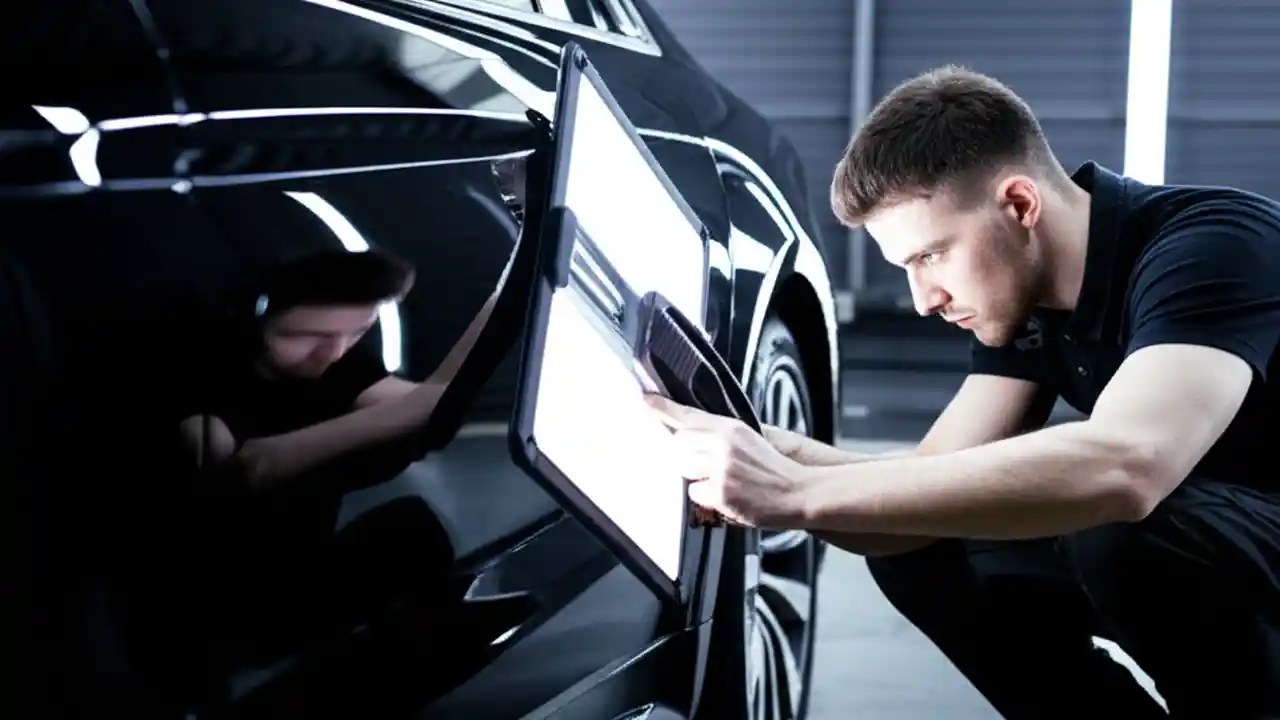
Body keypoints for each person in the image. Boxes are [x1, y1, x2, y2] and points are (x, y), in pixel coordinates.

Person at [646, 65, 1280, 719]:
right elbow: (931, 479)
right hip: (1230, 545)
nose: (924, 301)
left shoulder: (1211, 245)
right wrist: (774, 454)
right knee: (917, 542)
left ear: (1019, 205)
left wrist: (794, 492)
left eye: (932, 256)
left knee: (1118, 527)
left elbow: (1127, 466)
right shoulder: (1028, 296)